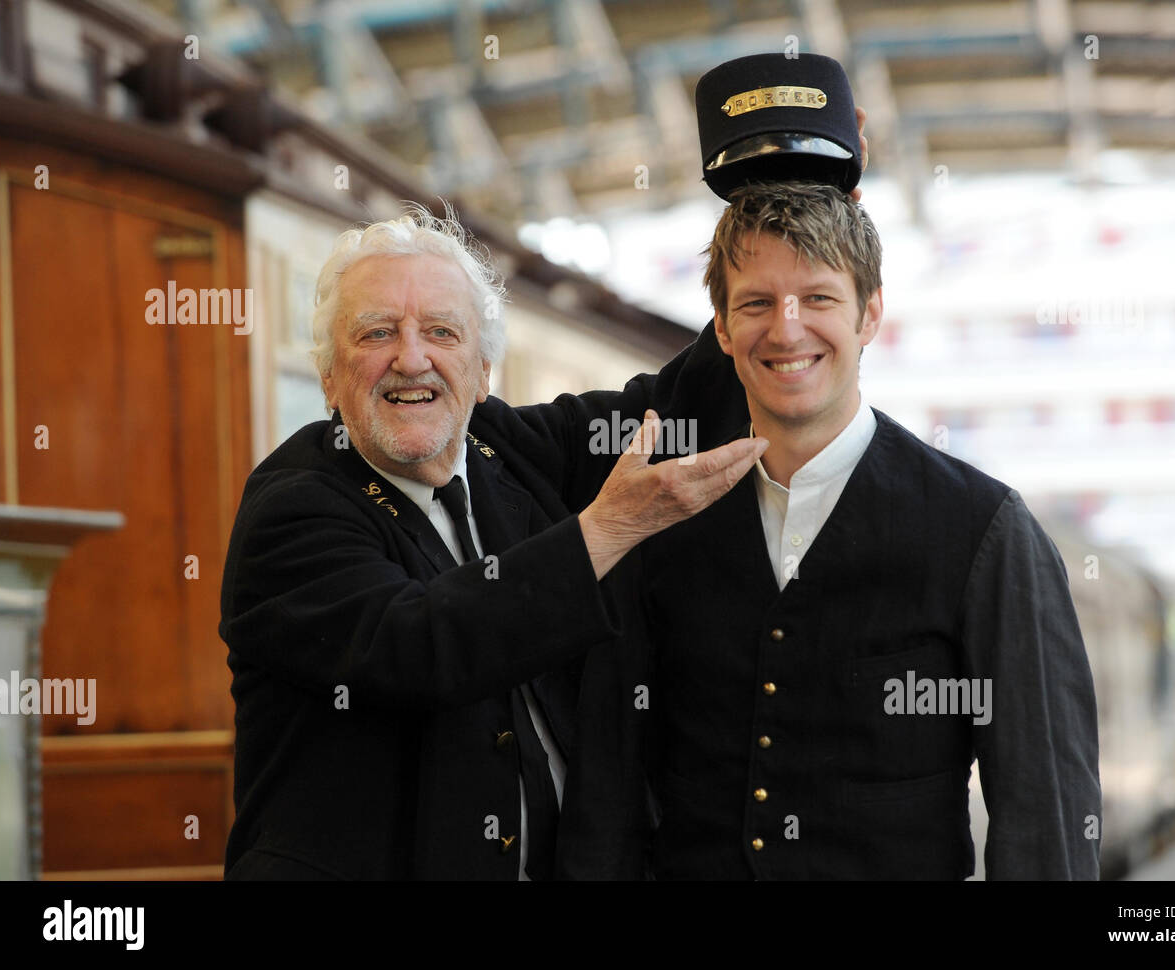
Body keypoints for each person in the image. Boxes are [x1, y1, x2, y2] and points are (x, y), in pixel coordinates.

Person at [552, 181, 1103, 880]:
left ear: (869, 314)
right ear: (721, 328)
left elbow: (1045, 816)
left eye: (818, 298)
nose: (786, 330)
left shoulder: (983, 529)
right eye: (756, 303)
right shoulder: (662, 519)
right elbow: (609, 791)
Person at [219, 205, 766, 880]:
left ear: (482, 374)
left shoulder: (504, 451)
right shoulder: (294, 508)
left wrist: (795, 222)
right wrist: (606, 530)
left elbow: (675, 405)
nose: (411, 358)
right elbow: (423, 646)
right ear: (329, 377)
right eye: (376, 334)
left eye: (441, 333)